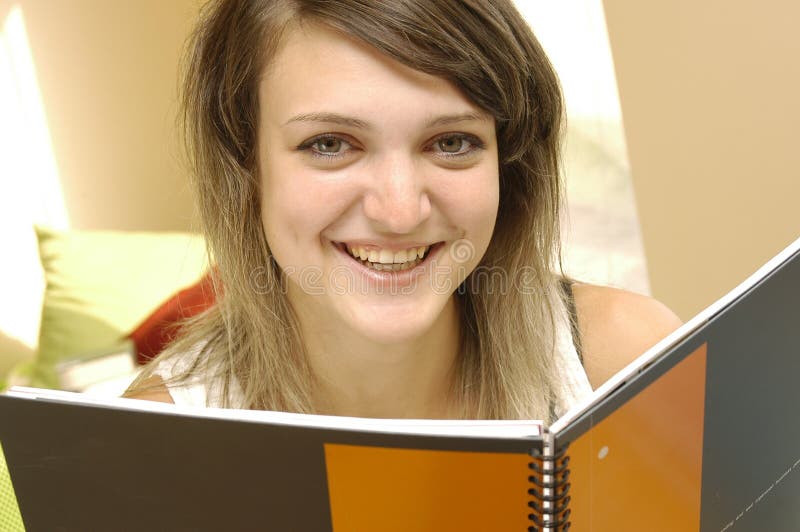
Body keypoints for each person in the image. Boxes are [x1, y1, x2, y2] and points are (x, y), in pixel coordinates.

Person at [125, 0, 681, 422]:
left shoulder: (625, 359)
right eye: (330, 144)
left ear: (508, 166)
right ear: (245, 167)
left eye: (452, 142)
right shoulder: (155, 435)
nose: (398, 212)